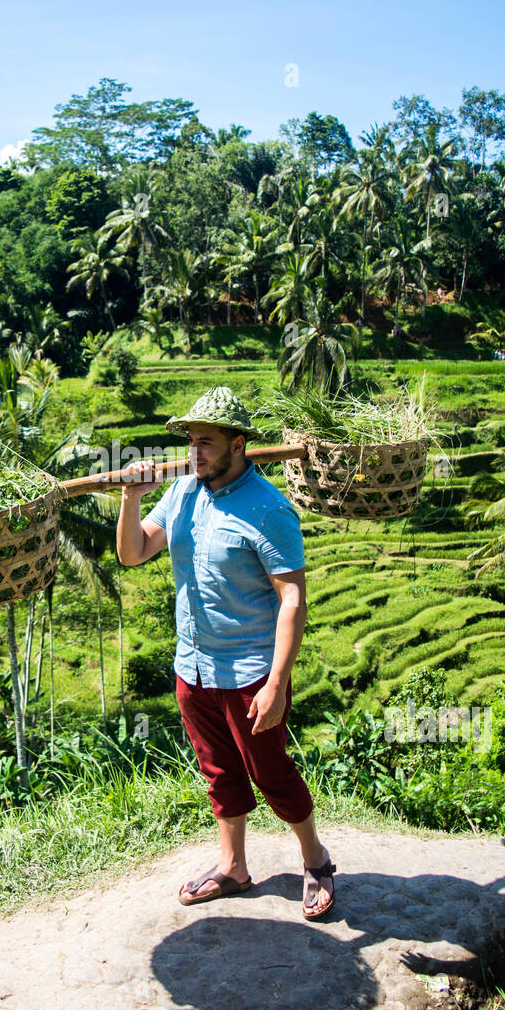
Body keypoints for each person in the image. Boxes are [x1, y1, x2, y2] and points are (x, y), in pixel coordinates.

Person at [116, 386, 336, 919]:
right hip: (193, 664)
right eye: (191, 442)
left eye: (206, 443)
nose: (195, 453)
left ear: (238, 445)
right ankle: (234, 867)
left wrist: (277, 684)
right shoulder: (184, 494)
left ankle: (316, 858)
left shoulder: (270, 510)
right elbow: (133, 553)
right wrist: (130, 498)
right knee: (217, 770)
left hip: (248, 671)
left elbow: (292, 599)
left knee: (270, 771)